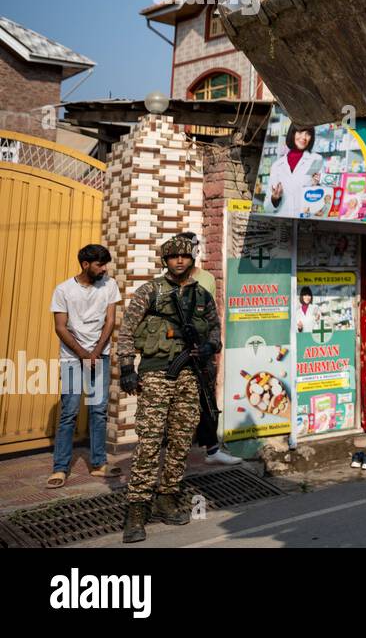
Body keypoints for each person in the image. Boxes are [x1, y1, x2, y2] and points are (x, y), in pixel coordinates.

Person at [117, 235, 221, 543]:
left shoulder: (202, 295)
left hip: (191, 376)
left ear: (191, 260)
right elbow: (126, 332)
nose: (179, 261)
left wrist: (209, 347)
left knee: (180, 440)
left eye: (184, 257)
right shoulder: (149, 292)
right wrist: (126, 369)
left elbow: (215, 329)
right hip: (155, 376)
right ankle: (137, 508)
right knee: (149, 441)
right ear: (165, 261)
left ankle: (168, 495)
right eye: (173, 256)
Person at [47, 244, 122, 489]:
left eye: (105, 264)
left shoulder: (109, 285)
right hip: (72, 358)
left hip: (100, 355)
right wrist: (83, 354)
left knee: (98, 410)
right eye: (100, 264)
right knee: (69, 412)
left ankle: (99, 463)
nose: (104, 269)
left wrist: (96, 353)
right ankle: (60, 468)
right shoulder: (64, 290)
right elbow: (60, 327)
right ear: (85, 264)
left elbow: (110, 321)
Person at [176, 232, 241, 466]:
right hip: (176, 351)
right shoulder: (164, 283)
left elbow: (212, 317)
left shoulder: (207, 279)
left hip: (201, 351)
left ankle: (212, 449)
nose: (189, 254)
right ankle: (176, 455)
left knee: (207, 402)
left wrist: (211, 345)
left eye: (193, 248)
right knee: (177, 404)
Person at [264, 122, 324, 217]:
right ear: (292, 134)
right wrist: (275, 198)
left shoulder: (315, 160)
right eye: (300, 132)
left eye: (308, 134)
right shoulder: (277, 165)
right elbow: (267, 208)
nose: (304, 137)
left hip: (306, 221)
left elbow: (324, 199)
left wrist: (318, 185)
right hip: (282, 221)